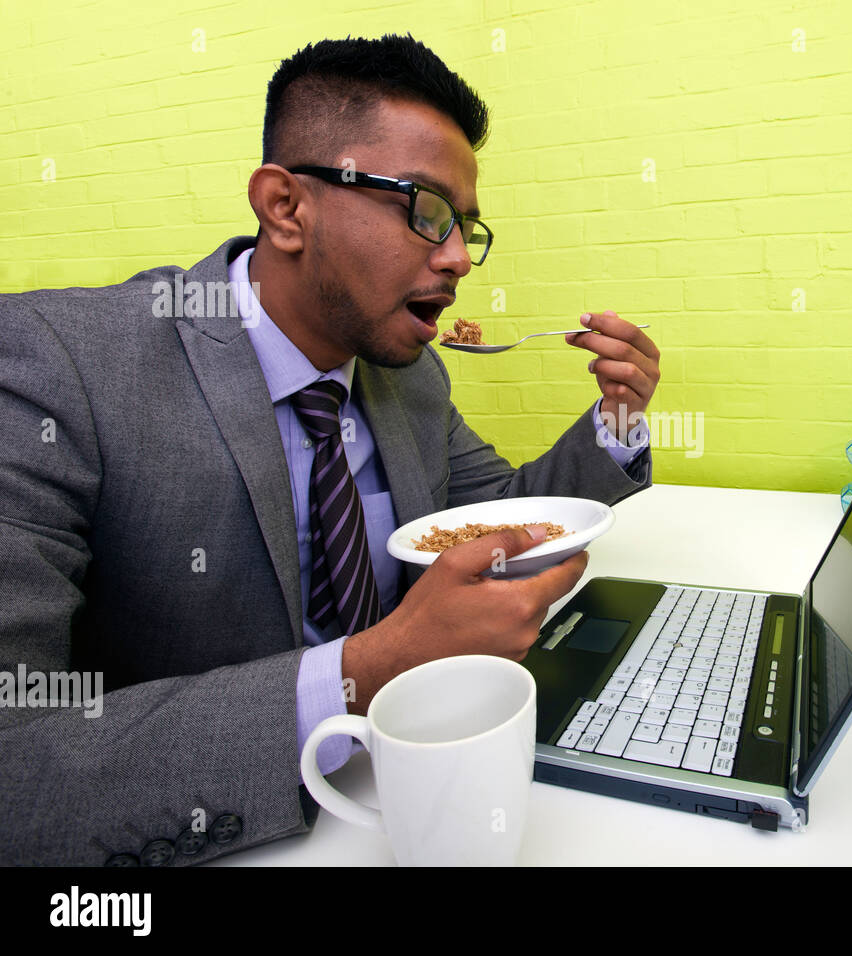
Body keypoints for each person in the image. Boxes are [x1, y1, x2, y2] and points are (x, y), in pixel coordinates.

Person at [0, 33, 661, 865]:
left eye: (466, 227)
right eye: (424, 209)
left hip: (421, 795)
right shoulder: (56, 368)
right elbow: (15, 773)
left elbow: (503, 513)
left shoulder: (408, 380)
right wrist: (369, 668)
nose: (457, 257)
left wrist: (617, 422)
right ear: (286, 207)